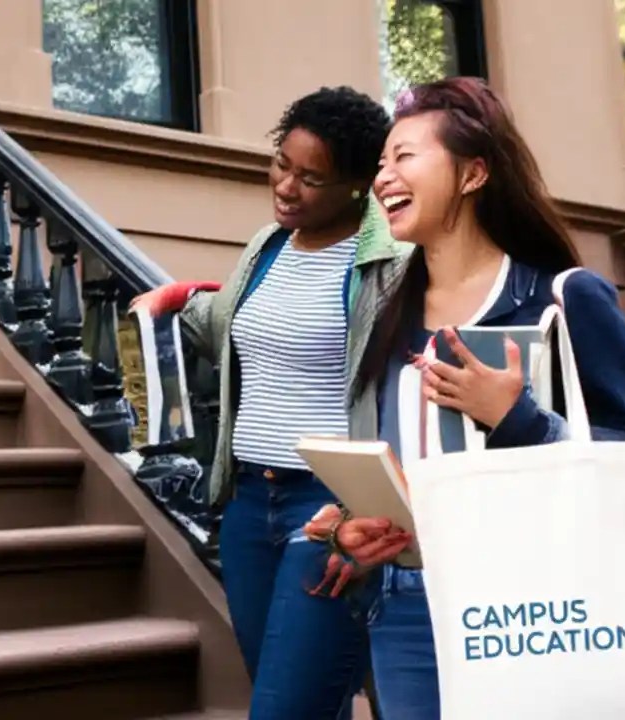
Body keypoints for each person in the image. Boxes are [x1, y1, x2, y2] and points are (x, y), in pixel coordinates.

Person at [306, 76, 625, 719]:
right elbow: (406, 471)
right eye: (382, 162)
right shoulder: (387, 317)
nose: (383, 177)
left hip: (538, 609)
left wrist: (517, 419)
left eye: (405, 156)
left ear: (473, 174)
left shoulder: (564, 299)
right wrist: (355, 530)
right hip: (409, 612)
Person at [132, 87, 404, 719]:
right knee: (299, 700)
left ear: (358, 187)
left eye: (312, 178)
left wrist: (365, 509)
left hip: (330, 509)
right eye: (282, 162)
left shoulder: (389, 264)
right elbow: (231, 325)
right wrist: (182, 295)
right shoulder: (268, 245)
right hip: (250, 506)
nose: (286, 185)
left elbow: (403, 390)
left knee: (285, 709)